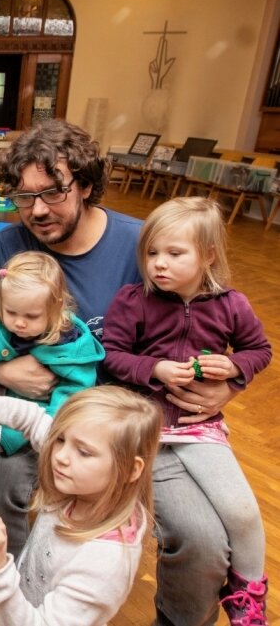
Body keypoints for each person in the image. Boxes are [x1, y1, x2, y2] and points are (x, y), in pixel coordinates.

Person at [0, 119, 240, 626]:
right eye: (24, 196)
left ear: (83, 183)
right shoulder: (10, 245)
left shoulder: (143, 247)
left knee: (203, 541)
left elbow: (211, 325)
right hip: (47, 420)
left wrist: (226, 385)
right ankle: (2, 604)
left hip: (142, 424)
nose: (37, 210)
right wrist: (12, 371)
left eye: (52, 191)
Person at [101, 197, 271, 623]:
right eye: (152, 252)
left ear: (208, 255)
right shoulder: (133, 299)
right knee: (201, 528)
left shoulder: (232, 304)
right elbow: (112, 355)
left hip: (200, 429)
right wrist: (154, 368)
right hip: (145, 430)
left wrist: (234, 368)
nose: (159, 263)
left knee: (242, 512)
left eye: (175, 253)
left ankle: (248, 595)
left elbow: (259, 349)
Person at [0, 387, 160, 626]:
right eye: (60, 439)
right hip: (15, 604)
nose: (60, 456)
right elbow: (33, 418)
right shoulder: (81, 478)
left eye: (84, 452)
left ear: (130, 470)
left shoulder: (105, 564)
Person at [0, 251, 104, 455]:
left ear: (56, 308)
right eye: (11, 312)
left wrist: (53, 426)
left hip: (35, 416)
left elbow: (74, 392)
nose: (19, 322)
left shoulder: (71, 344)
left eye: (32, 316)